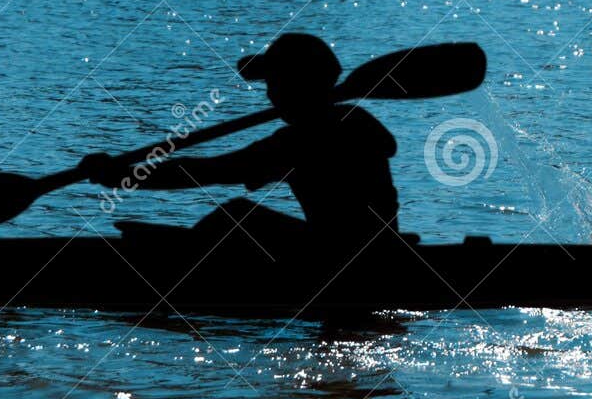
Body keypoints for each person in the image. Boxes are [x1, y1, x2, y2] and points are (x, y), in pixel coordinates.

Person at [79, 33, 401, 252]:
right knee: (236, 219)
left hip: (346, 257)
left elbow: (204, 171)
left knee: (236, 215)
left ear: (297, 85)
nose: (270, 94)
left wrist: (120, 176)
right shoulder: (356, 121)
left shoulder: (299, 141)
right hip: (373, 249)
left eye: (275, 83)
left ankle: (179, 264)